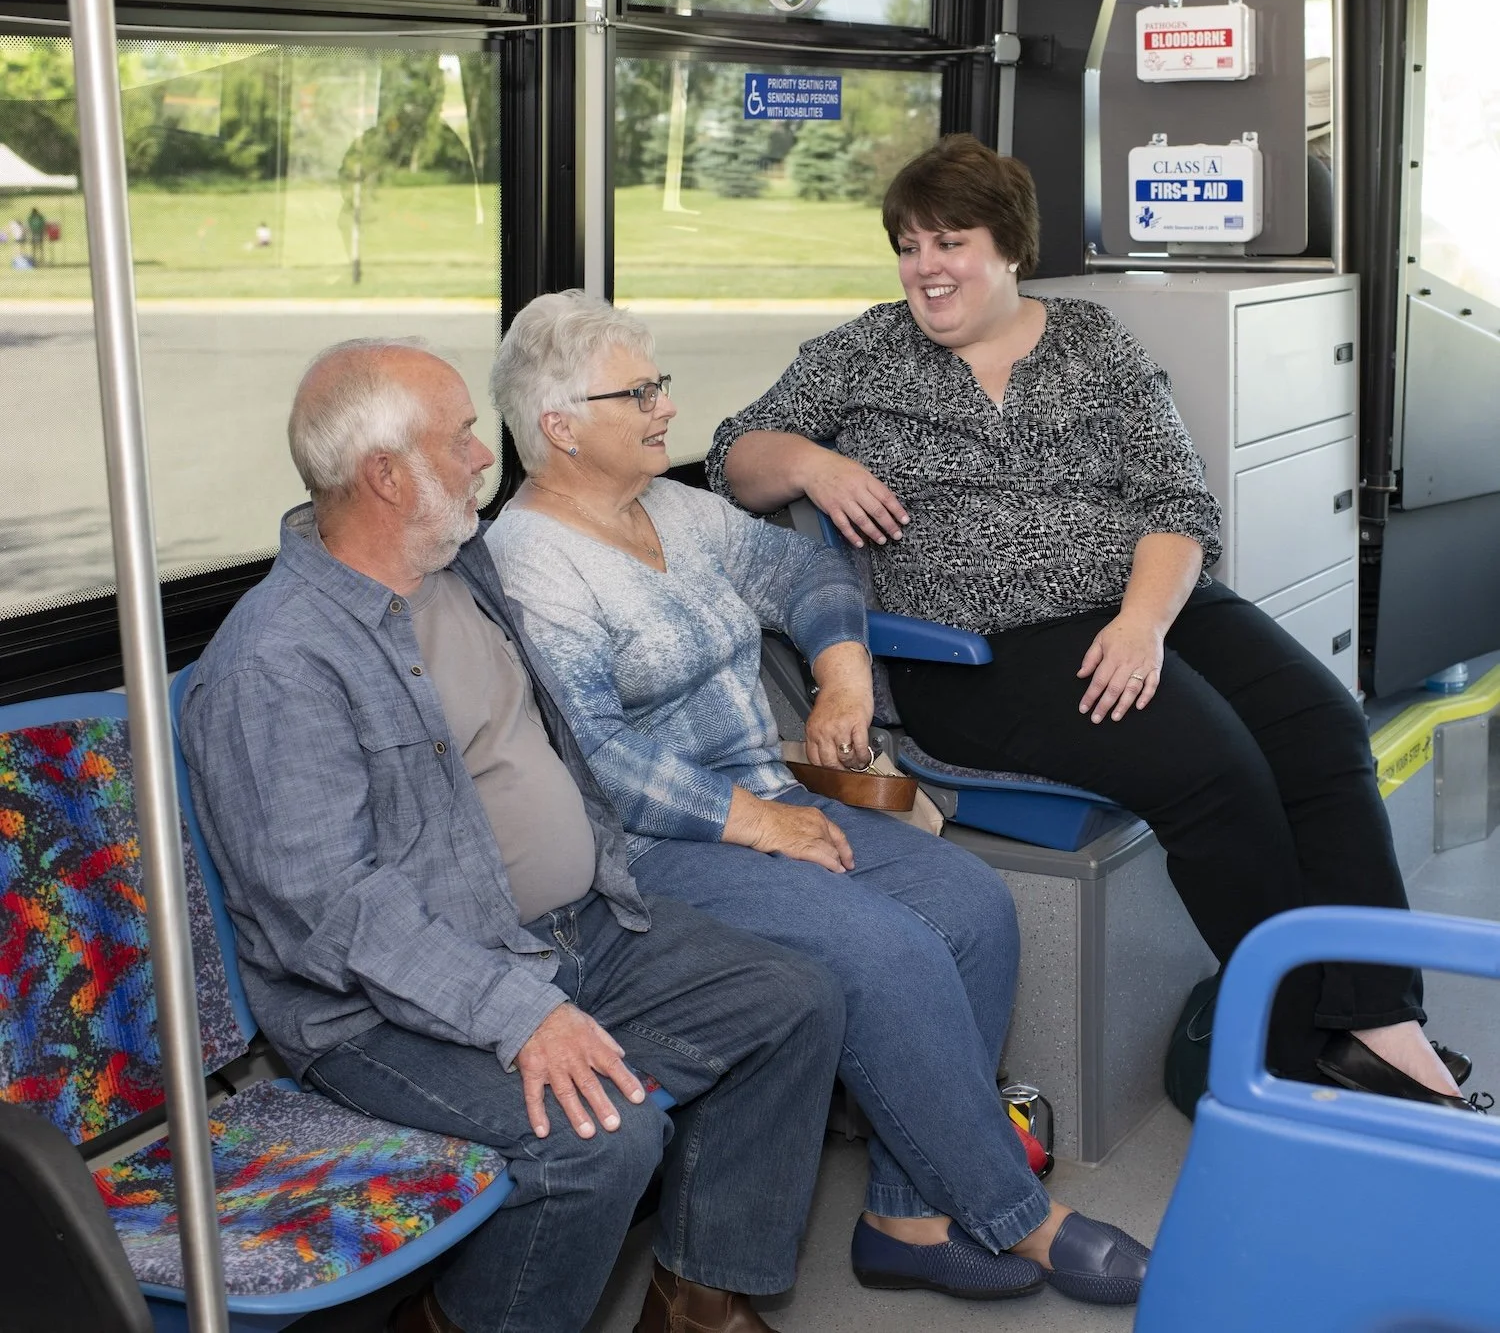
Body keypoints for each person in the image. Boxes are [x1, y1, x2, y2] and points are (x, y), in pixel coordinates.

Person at [705, 132, 1476, 1111]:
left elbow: (1178, 505)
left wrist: (1143, 624)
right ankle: (1288, 1049)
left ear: (1009, 247)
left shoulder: (1092, 341)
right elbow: (733, 453)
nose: (925, 268)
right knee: (1214, 768)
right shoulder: (863, 352)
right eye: (909, 246)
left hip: (1145, 605)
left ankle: (1379, 1021)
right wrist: (812, 463)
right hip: (980, 654)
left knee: (1322, 726)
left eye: (950, 242)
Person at [486, 289, 1152, 1309]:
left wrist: (843, 679)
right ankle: (1018, 1215)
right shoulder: (530, 563)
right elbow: (598, 757)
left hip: (764, 794)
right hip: (651, 846)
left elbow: (806, 570)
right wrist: (761, 825)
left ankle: (904, 1219)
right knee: (887, 949)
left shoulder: (673, 510)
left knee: (973, 906)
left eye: (661, 385)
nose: (668, 407)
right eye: (641, 393)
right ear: (560, 426)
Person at [179, 338, 848, 1333]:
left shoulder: (461, 565)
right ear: (385, 475)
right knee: (599, 1141)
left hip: (575, 929)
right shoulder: (277, 662)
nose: (485, 457)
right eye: (460, 439)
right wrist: (522, 1014)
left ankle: (699, 1306)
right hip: (385, 1013)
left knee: (794, 1001)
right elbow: (330, 913)